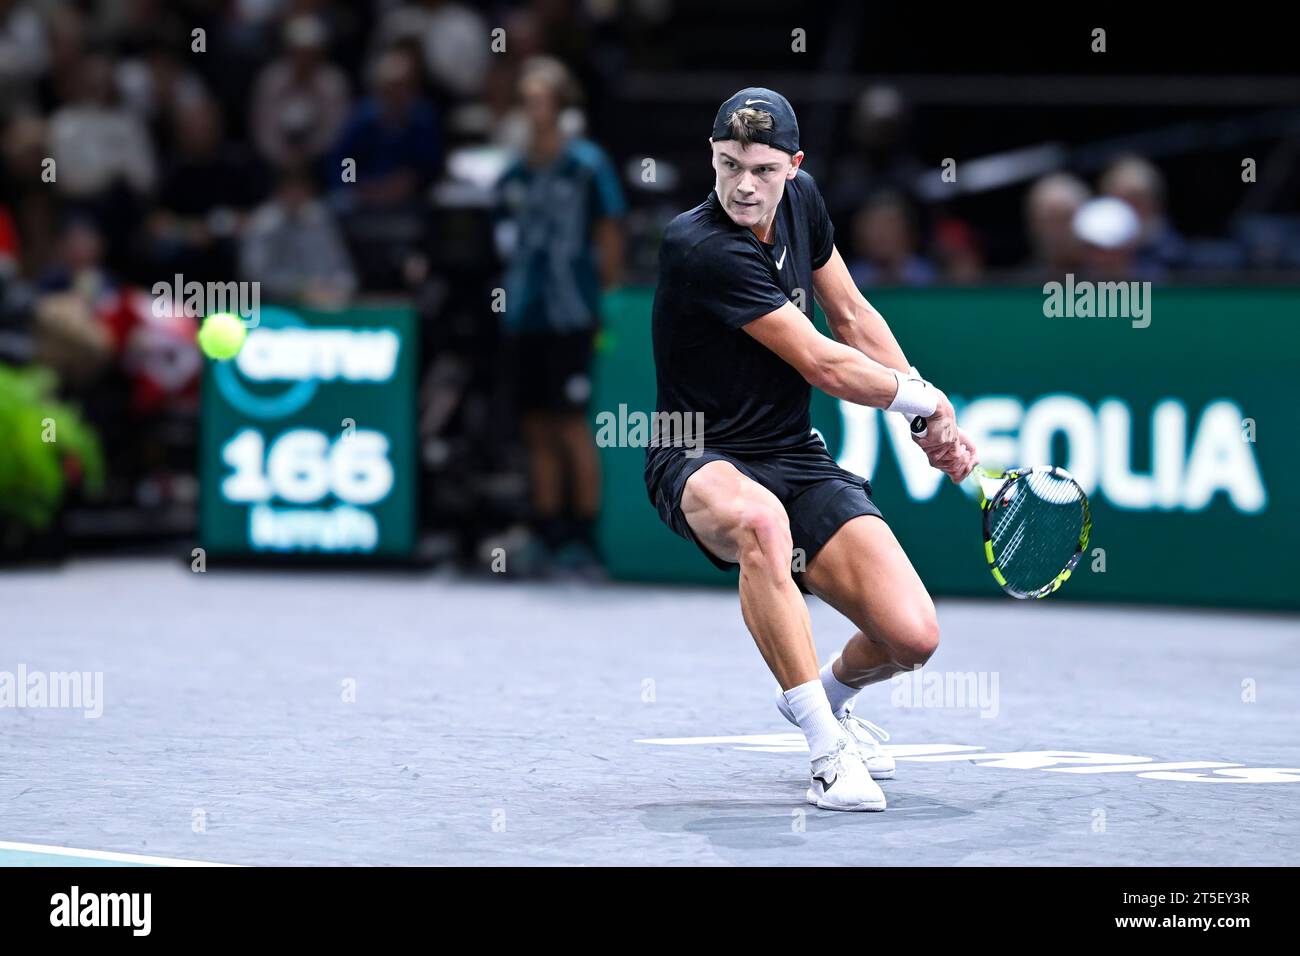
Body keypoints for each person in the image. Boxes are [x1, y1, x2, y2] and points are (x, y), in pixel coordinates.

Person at [644, 88, 976, 812]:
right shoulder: (697, 244)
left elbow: (852, 314)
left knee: (911, 638)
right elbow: (822, 363)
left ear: (794, 166)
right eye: (728, 164)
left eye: (762, 169)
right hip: (696, 455)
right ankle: (826, 753)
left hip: (792, 452)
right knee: (762, 523)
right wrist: (926, 404)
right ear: (710, 155)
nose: (743, 184)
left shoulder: (805, 202)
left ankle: (828, 699)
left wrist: (926, 413)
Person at [495, 56, 625, 577]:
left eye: (542, 98)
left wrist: (603, 297)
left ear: (560, 104)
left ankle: (584, 541)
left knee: (571, 424)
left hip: (573, 313)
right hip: (525, 316)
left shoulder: (588, 165)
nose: (534, 109)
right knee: (536, 427)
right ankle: (549, 535)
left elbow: (610, 230)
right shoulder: (513, 172)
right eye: (526, 100)